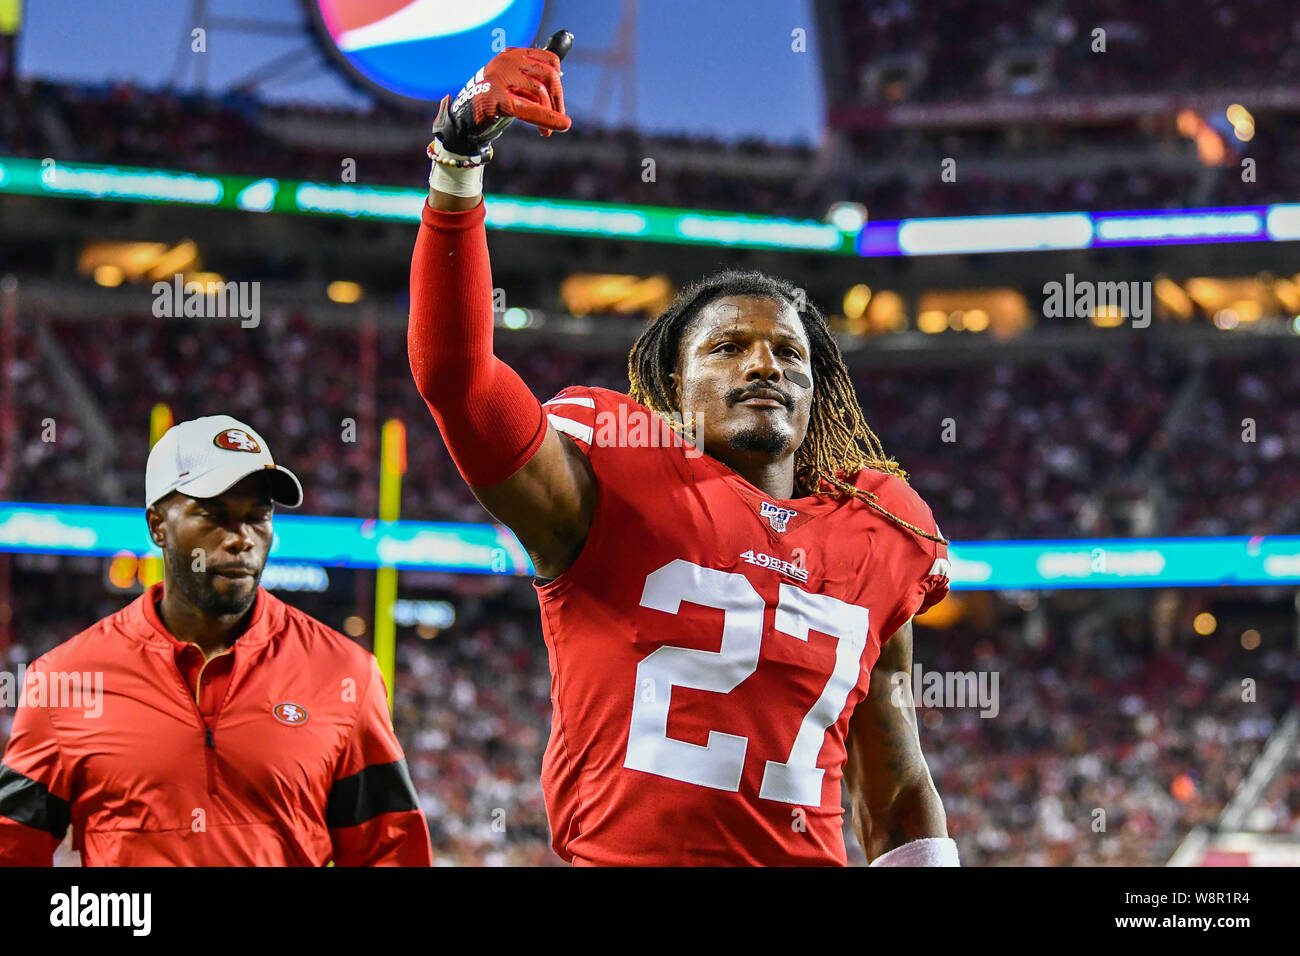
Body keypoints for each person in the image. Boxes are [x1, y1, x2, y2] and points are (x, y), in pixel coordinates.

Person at [409, 40, 956, 866]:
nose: (766, 363)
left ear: (819, 390)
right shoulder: (607, 479)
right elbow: (459, 380)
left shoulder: (882, 529)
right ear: (672, 384)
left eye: (790, 354)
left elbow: (895, 785)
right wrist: (457, 160)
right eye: (728, 348)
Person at [0, 415, 431, 866]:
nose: (240, 539)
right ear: (157, 525)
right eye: (215, 516)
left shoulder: (345, 673)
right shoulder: (65, 679)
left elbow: (391, 852)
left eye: (256, 517)